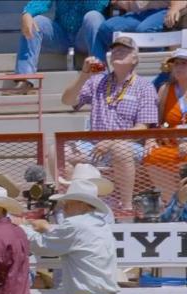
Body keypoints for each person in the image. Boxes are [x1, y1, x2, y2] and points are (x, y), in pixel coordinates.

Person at [61, 36, 158, 212]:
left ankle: (126, 208)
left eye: (124, 50)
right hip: (94, 145)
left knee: (119, 148)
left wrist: (112, 141)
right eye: (114, 50)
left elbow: (143, 127)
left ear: (135, 59)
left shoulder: (144, 86)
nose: (117, 52)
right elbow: (67, 100)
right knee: (58, 152)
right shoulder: (97, 81)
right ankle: (71, 206)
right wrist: (84, 75)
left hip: (129, 145)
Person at [9, 0, 107, 94]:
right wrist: (28, 13)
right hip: (61, 35)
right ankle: (25, 79)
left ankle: (100, 77)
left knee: (94, 16)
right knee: (35, 21)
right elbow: (41, 1)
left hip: (84, 36)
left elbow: (97, 6)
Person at [143, 48, 187, 203]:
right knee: (151, 155)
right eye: (176, 64)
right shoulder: (164, 89)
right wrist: (151, 139)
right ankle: (172, 204)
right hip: (171, 146)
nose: (179, 67)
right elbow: (156, 122)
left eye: (184, 63)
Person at [91, 1, 183, 62]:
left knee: (145, 30)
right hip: (140, 13)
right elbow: (132, 4)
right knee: (106, 28)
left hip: (165, 9)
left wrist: (174, 8)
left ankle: (160, 70)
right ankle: (100, 74)